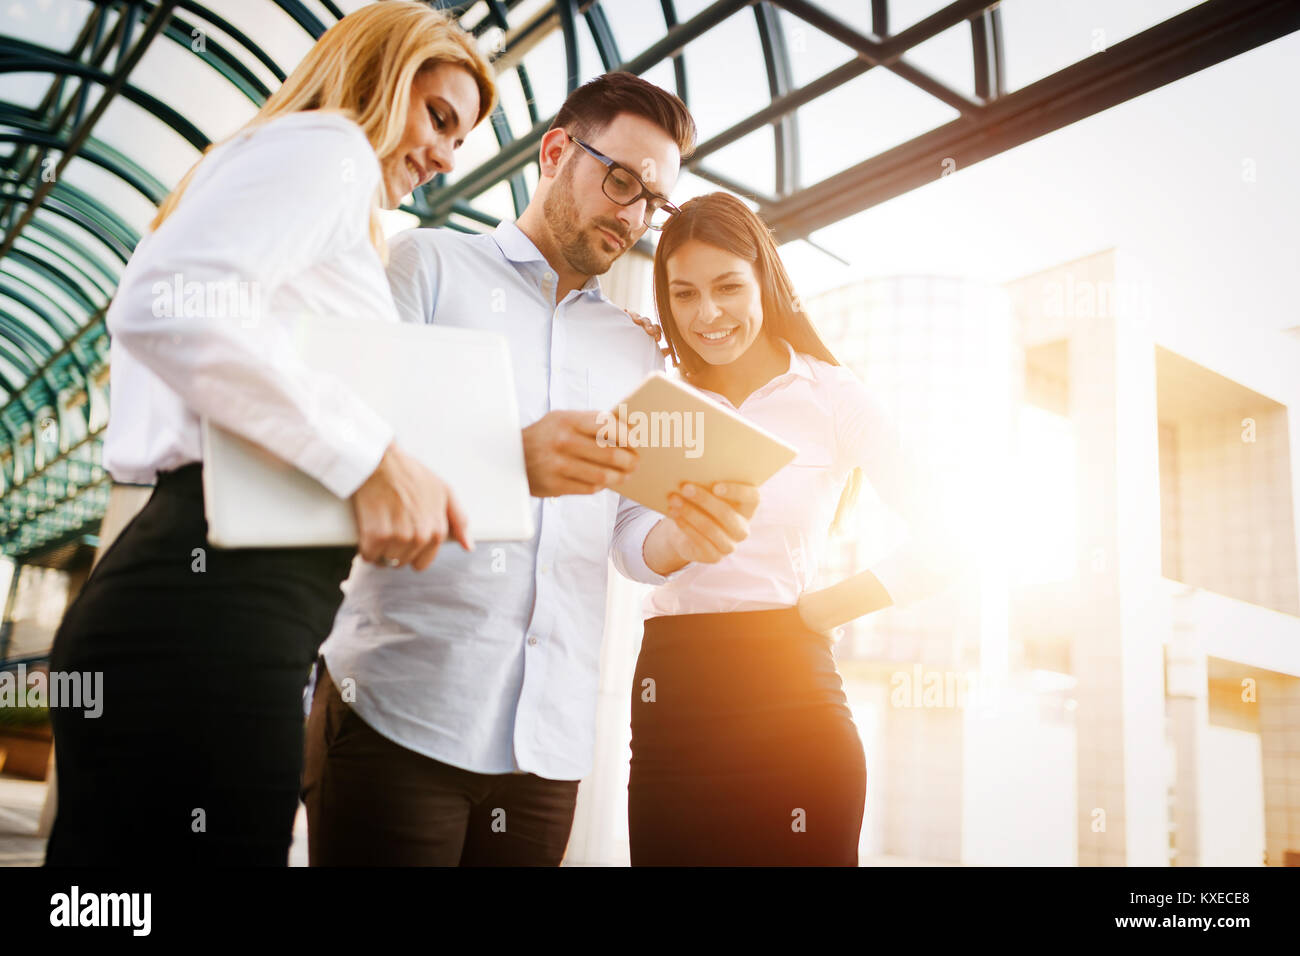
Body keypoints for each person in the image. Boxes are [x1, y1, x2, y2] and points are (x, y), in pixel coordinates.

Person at [44, 2, 496, 866]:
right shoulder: (330, 150)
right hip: (208, 616)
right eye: (436, 116)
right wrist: (369, 462)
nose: (441, 156)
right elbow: (164, 305)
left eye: (459, 142)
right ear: (377, 76)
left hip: (214, 607)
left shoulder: (320, 188)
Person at [302, 71, 760, 866]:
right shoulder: (427, 270)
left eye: (652, 202)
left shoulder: (631, 348)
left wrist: (683, 536)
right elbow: (343, 457)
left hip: (547, 753)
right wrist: (507, 461)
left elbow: (625, 536)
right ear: (556, 151)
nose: (632, 215)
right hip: (400, 714)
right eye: (622, 180)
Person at [611, 191, 962, 866]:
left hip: (791, 695)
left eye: (727, 287)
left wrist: (827, 607)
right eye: (683, 294)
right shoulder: (658, 392)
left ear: (764, 282)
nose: (706, 314)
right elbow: (628, 550)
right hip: (670, 694)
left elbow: (951, 536)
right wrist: (678, 543)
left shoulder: (832, 396)